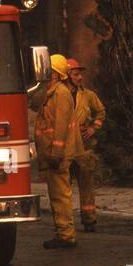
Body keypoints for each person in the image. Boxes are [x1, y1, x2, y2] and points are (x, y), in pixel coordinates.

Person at [35, 53, 83, 250]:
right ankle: (62, 232)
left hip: (58, 155)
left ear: (55, 73)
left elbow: (61, 126)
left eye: (48, 70)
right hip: (52, 154)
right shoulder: (52, 93)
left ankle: (65, 235)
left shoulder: (60, 94)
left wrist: (56, 152)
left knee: (61, 194)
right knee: (56, 194)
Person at [66, 58, 105, 232]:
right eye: (76, 74)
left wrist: (93, 128)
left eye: (80, 74)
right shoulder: (58, 95)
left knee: (87, 185)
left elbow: (101, 112)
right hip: (65, 147)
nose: (80, 77)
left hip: (84, 146)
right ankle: (65, 223)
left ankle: (89, 220)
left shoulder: (88, 95)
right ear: (66, 76)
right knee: (63, 187)